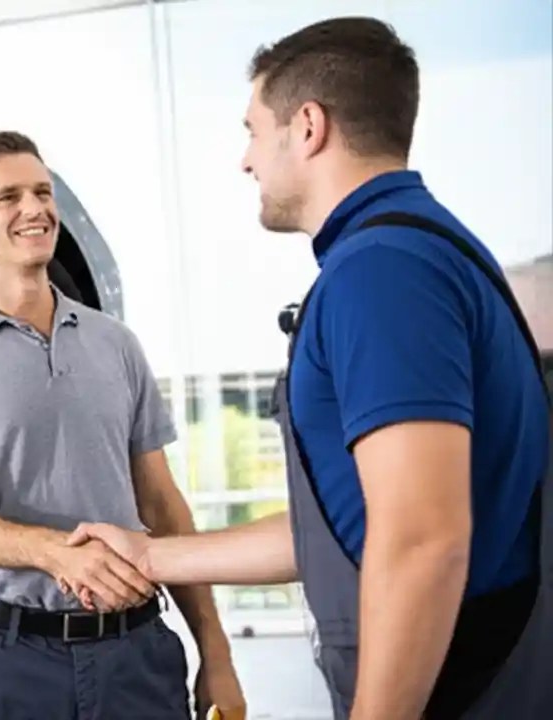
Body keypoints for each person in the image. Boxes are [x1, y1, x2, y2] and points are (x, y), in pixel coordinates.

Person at [67, 16, 552, 720]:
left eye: (253, 131)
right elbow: (343, 525)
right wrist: (151, 557)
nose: (246, 160)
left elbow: (421, 539)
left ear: (308, 126)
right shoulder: (426, 251)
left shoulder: (381, 275)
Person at [0, 130, 247, 720]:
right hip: (9, 660)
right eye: (9, 197)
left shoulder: (116, 344)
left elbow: (162, 505)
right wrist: (57, 553)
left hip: (136, 653)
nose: (35, 208)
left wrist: (215, 647)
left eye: (42, 192)